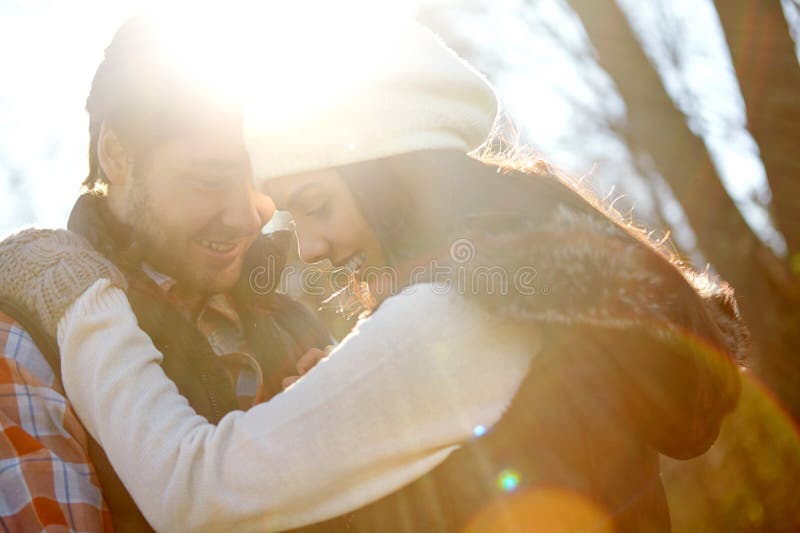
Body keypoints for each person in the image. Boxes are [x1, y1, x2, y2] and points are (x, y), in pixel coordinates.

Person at [1, 16, 747, 533]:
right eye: (290, 212)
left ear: (395, 175)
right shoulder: (524, 280)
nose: (307, 245)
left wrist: (83, 303)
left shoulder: (457, 314)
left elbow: (196, 490)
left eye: (314, 204)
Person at [0, 14, 330, 532]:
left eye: (262, 182)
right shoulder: (27, 343)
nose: (250, 217)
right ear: (116, 155)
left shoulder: (298, 328)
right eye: (209, 182)